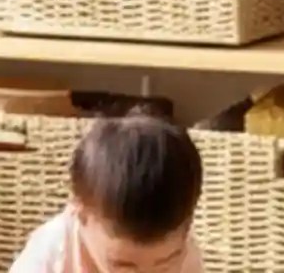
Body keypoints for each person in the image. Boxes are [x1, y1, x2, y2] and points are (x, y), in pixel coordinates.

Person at [10, 112, 205, 273]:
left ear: (187, 226)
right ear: (81, 214)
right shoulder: (52, 254)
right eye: (123, 267)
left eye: (164, 267)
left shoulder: (187, 257)